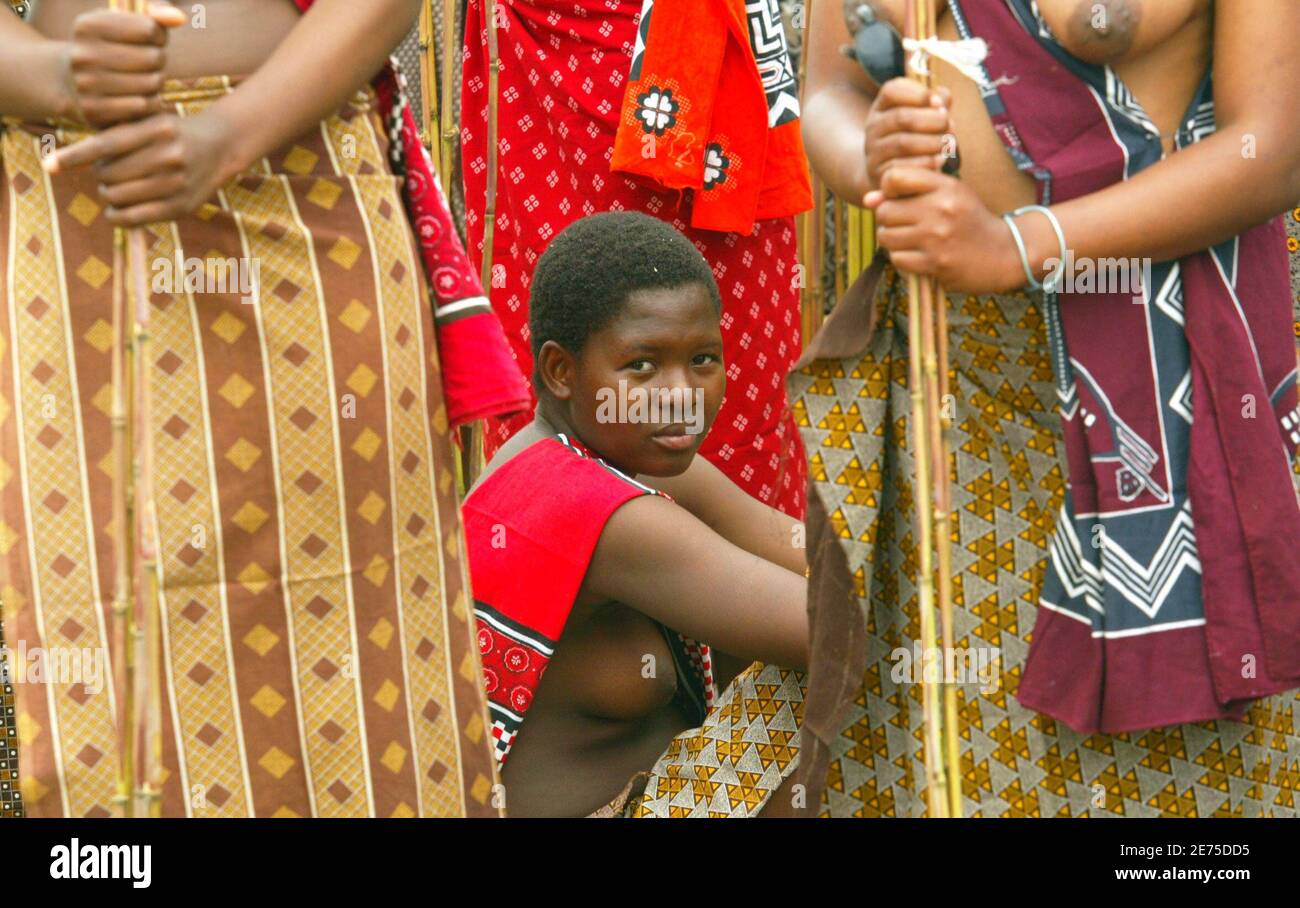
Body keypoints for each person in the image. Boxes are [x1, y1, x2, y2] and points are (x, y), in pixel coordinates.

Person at [0, 0, 522, 817]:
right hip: (80, 203)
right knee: (107, 634)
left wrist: (229, 134)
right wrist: (57, 75)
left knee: (367, 645)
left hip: (308, 190)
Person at [793, 0, 1300, 816]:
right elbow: (829, 95)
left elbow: (1271, 145)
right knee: (957, 751)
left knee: (1183, 800)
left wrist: (1019, 247)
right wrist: (877, 158)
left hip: (1165, 380)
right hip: (952, 379)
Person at [463, 211, 809, 817]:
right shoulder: (586, 503)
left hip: (654, 794)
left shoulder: (624, 453)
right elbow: (840, 630)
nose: (681, 392)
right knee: (844, 669)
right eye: (642, 366)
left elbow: (803, 547)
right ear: (561, 371)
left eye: (702, 359)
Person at [461, 0, 812, 518]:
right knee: (584, 328)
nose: (674, 395)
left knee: (739, 383)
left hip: (720, 76)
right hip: (553, 61)